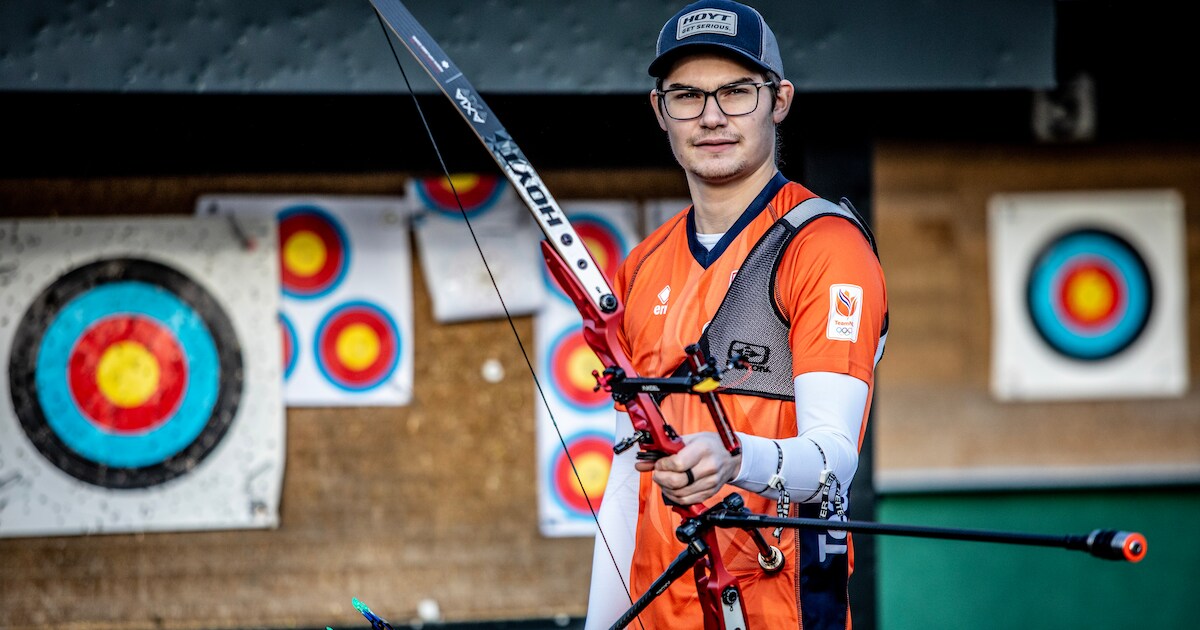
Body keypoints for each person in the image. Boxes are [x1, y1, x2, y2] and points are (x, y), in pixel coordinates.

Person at [584, 1, 888, 628]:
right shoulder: (640, 266)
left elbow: (833, 459)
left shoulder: (824, 248)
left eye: (737, 92)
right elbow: (626, 484)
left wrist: (734, 458)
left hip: (779, 609)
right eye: (687, 96)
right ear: (658, 110)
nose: (713, 117)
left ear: (780, 100)